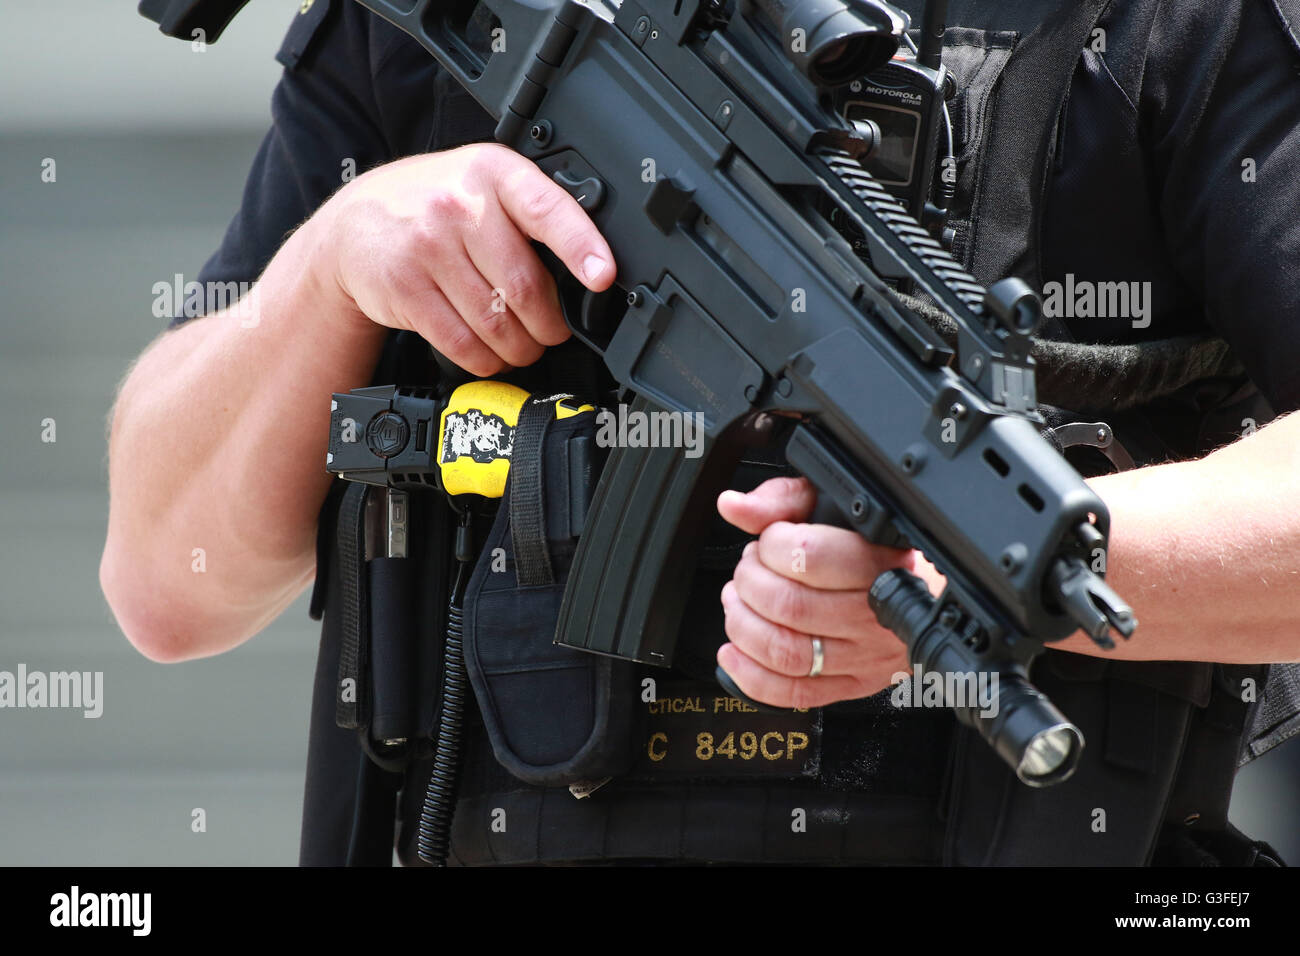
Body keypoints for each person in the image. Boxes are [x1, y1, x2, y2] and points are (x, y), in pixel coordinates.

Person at [103, 0, 1300, 865]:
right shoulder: (431, 38)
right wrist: (330, 260)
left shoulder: (1157, 29)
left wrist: (991, 580)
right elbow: (167, 582)